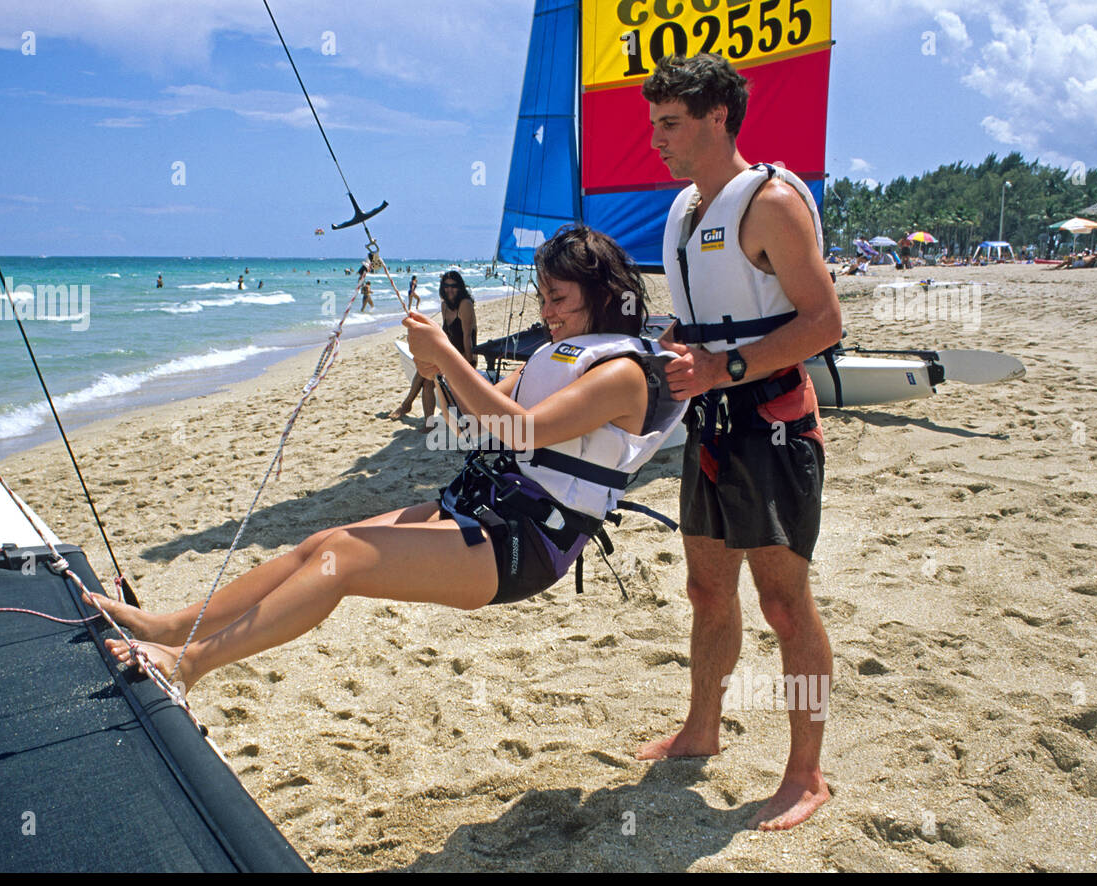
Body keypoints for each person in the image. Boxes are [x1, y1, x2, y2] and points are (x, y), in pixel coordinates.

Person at [88, 226, 686, 700]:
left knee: (341, 563)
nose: (547, 312)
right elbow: (477, 418)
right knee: (323, 540)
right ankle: (170, 628)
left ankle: (187, 666)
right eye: (541, 298)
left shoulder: (624, 375)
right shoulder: (553, 358)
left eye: (558, 298)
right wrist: (438, 373)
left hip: (526, 544)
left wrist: (449, 358)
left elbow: (518, 431)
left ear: (602, 296)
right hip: (482, 508)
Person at [642, 53, 843, 831]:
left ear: (718, 117)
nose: (656, 140)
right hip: (711, 430)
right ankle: (702, 730)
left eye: (670, 123)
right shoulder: (686, 211)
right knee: (705, 591)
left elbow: (824, 324)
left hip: (774, 428)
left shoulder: (771, 202)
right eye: (654, 124)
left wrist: (720, 366)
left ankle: (806, 774)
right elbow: (695, 319)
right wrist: (647, 355)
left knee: (784, 606)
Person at [389, 271, 477, 426]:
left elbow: (467, 336)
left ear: (460, 287)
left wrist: (469, 365)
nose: (450, 289)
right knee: (426, 374)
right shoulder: (444, 306)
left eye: (453, 286)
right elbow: (445, 334)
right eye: (446, 286)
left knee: (428, 379)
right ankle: (425, 420)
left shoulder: (465, 304)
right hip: (448, 355)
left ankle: (407, 405)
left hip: (464, 356)